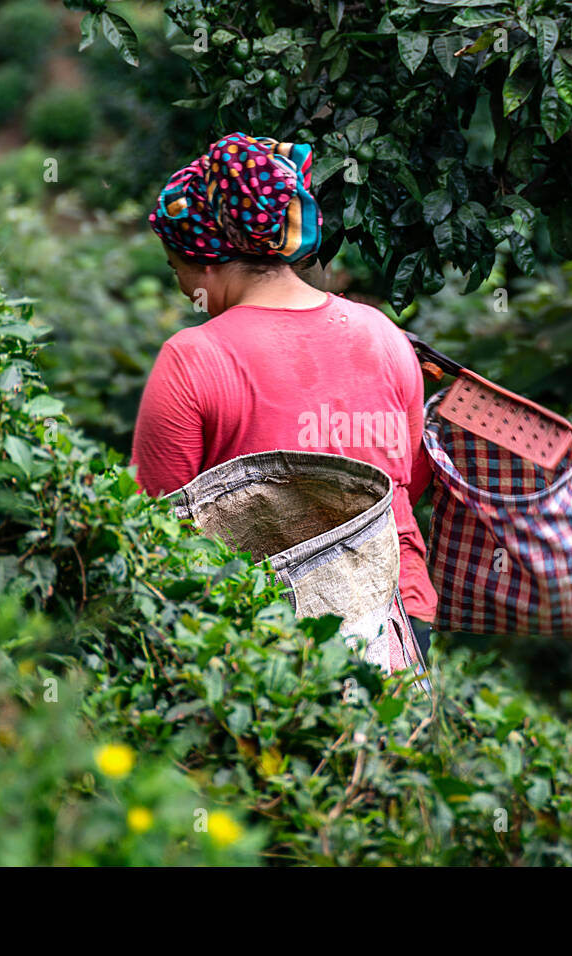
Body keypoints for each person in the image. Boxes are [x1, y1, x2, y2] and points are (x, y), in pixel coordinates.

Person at [130, 131, 438, 655]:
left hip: (269, 628)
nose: (182, 286)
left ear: (205, 261)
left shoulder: (193, 358)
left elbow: (158, 530)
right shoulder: (384, 334)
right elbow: (406, 479)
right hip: (396, 614)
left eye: (174, 267)